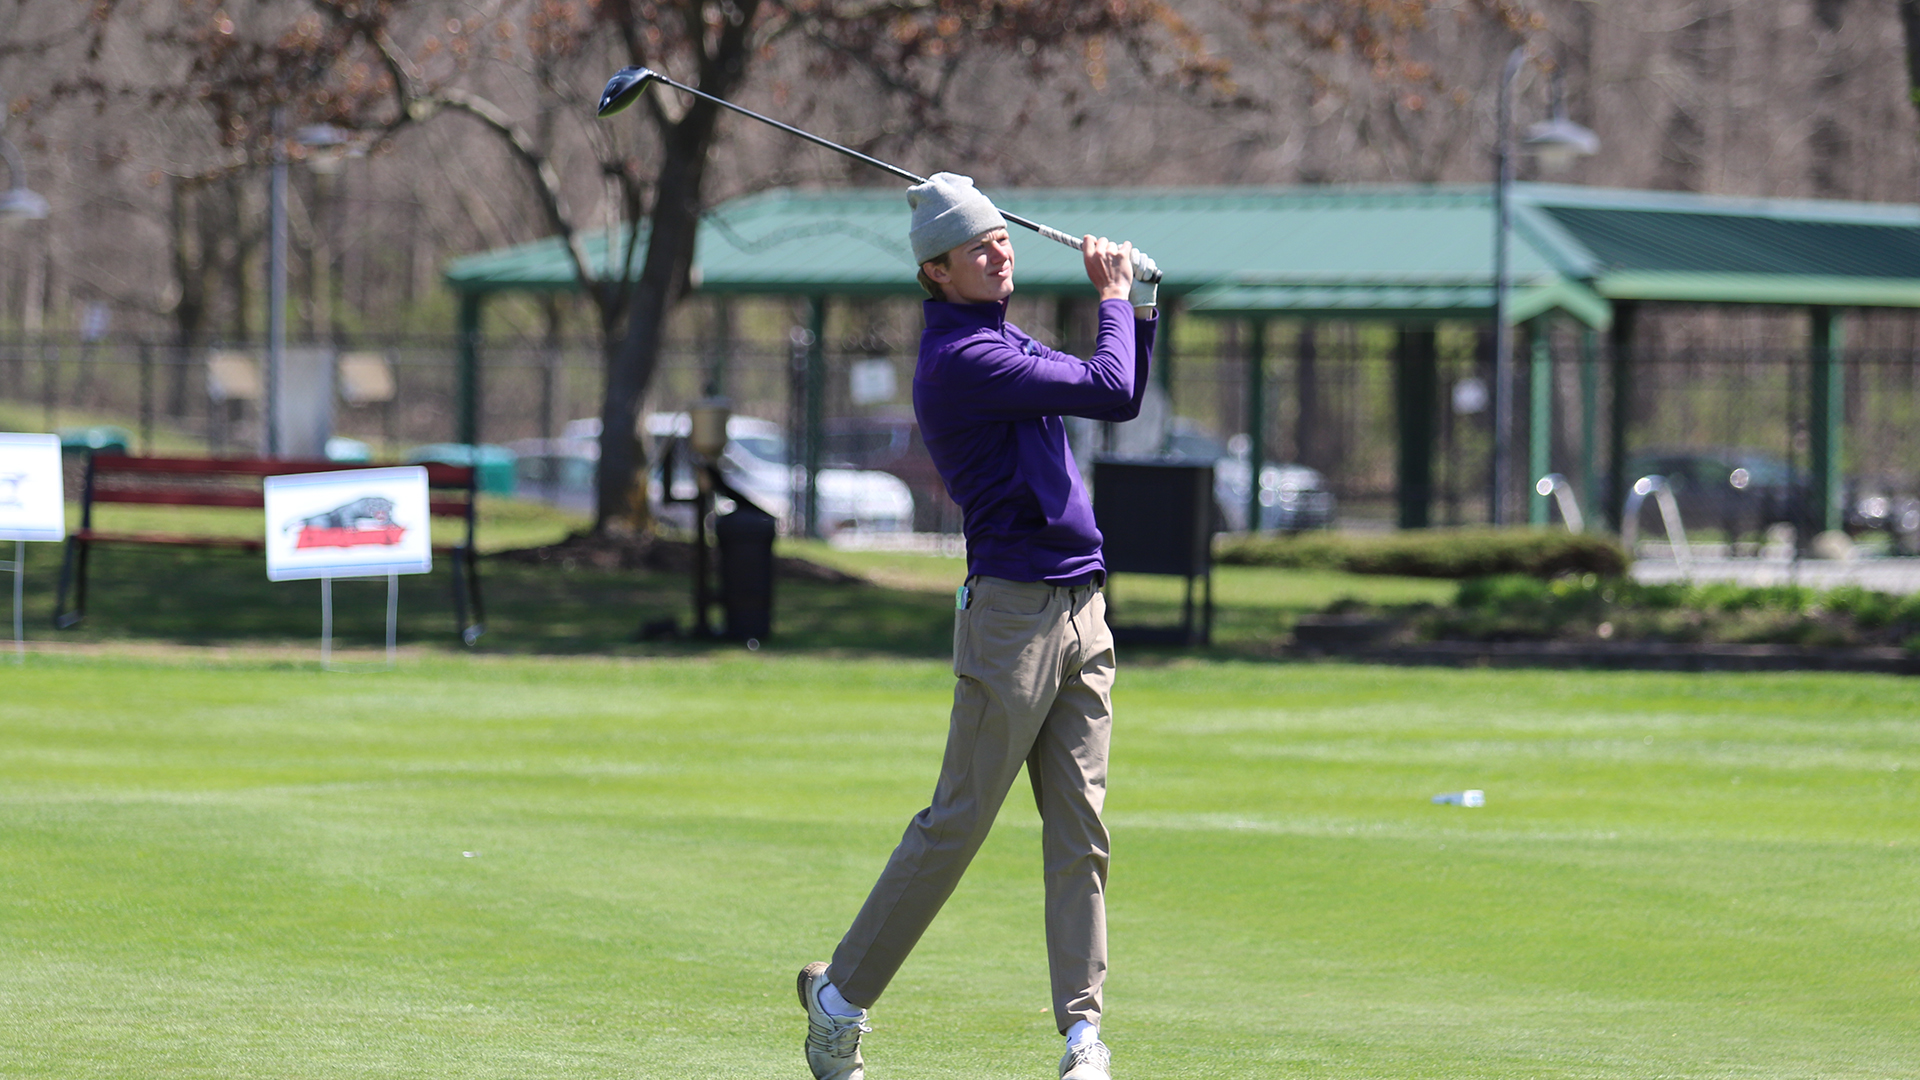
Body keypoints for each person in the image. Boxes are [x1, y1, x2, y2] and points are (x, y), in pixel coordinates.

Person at [797, 172, 1157, 1080]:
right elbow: (1110, 391)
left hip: (1084, 608)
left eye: (1002, 239)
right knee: (958, 823)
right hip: (1013, 619)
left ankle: (1083, 1038)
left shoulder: (998, 334)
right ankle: (839, 1001)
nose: (1000, 254)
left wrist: (1137, 309)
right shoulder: (963, 360)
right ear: (937, 272)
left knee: (1082, 833)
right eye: (979, 249)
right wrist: (1114, 300)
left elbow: (1118, 387)